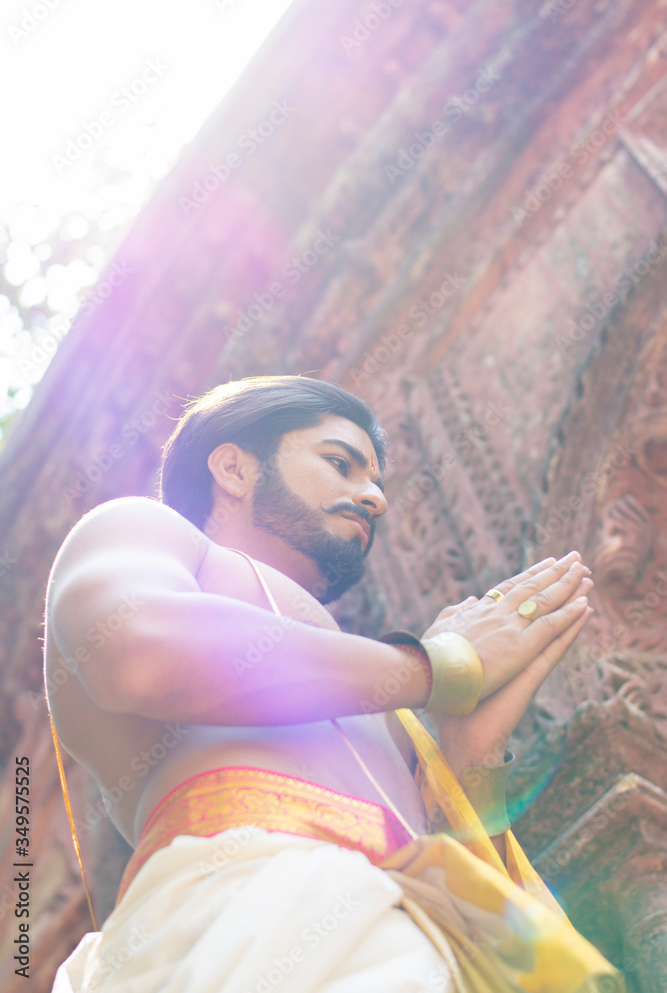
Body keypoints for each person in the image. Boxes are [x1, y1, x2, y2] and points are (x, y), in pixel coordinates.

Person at [46, 376, 623, 992]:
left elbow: (461, 865)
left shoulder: (377, 693)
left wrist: (468, 749)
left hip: (428, 944)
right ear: (234, 468)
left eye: (376, 480)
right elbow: (136, 649)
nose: (373, 497)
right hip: (249, 918)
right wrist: (438, 668)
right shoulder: (148, 533)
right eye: (340, 463)